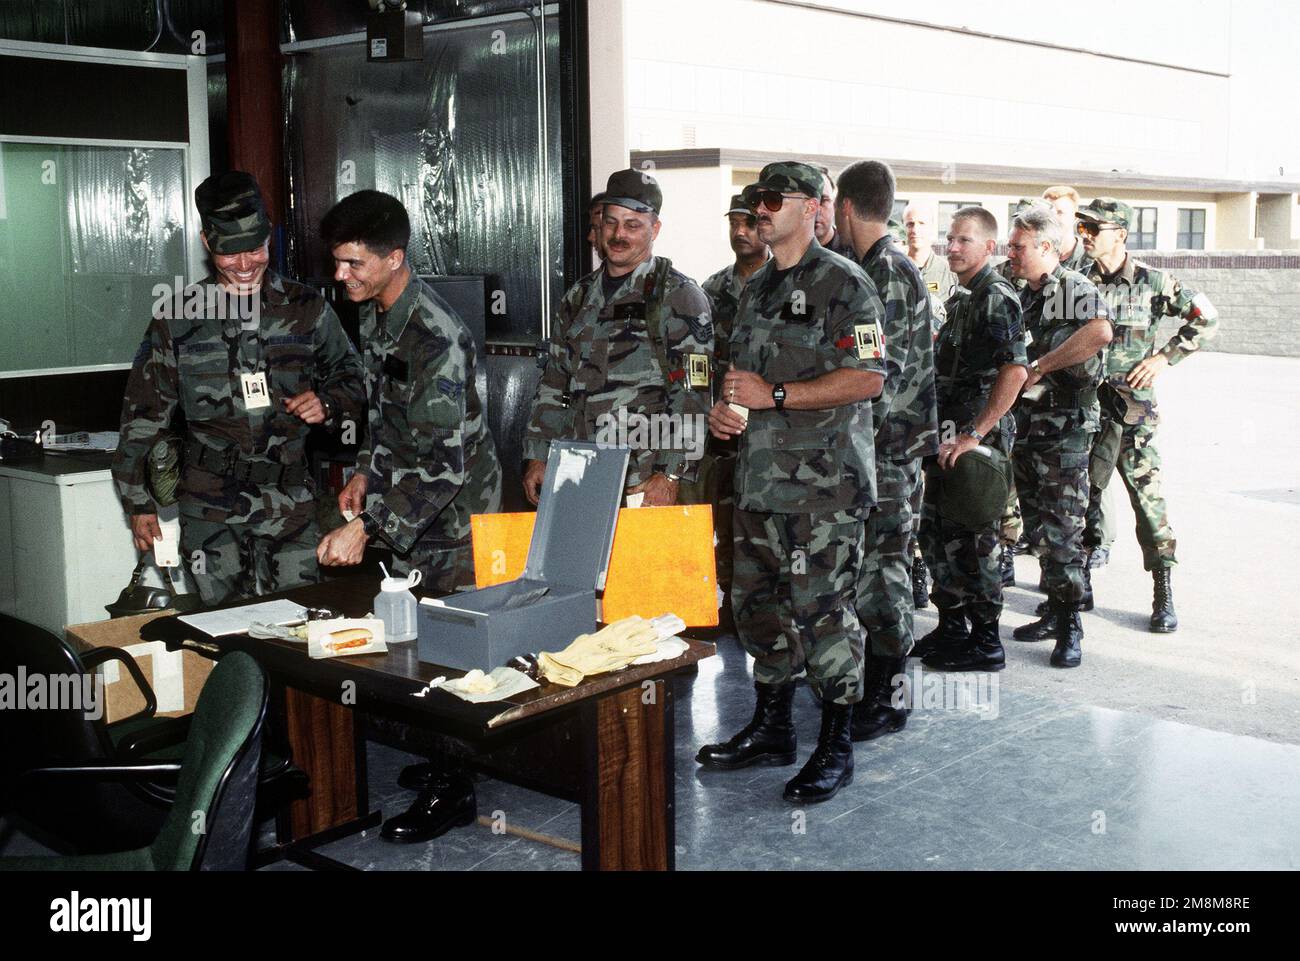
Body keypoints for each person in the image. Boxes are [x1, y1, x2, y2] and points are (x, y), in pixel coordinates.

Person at [696, 161, 886, 804]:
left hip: (823, 492)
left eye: (773, 199)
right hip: (758, 483)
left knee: (824, 616)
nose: (760, 209)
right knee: (758, 610)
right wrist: (730, 413)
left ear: (812, 206)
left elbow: (868, 377)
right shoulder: (756, 288)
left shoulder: (846, 285)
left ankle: (835, 745)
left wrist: (774, 394)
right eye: (755, 200)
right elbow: (744, 381)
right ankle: (773, 726)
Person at [316, 189, 503, 843]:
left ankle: (455, 788)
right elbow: (383, 413)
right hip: (405, 505)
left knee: (448, 655)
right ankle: (439, 759)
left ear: (394, 258)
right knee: (414, 647)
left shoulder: (435, 337)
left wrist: (367, 527)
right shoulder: (377, 317)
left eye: (353, 264)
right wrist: (366, 469)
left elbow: (444, 469)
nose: (341, 276)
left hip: (450, 519)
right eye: (336, 263)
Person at [113, 171, 365, 605]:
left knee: (299, 630)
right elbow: (143, 414)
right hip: (209, 513)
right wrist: (138, 502)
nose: (245, 264)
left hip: (290, 506)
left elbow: (354, 377)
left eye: (255, 249)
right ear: (208, 244)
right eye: (231, 253)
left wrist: (328, 402)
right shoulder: (177, 317)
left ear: (270, 238)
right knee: (220, 633)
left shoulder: (305, 308)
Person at [522, 169, 714, 507]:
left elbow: (693, 395)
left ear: (654, 229)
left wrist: (671, 474)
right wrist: (538, 455)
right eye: (611, 223)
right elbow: (555, 382)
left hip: (643, 478)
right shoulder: (578, 297)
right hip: (579, 470)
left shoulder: (678, 296)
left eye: (632, 225)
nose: (619, 234)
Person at [1077, 198, 1218, 632]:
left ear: (1119, 234)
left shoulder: (1154, 282)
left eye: (1093, 229)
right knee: (1081, 499)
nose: (1084, 236)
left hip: (1134, 413)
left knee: (1147, 502)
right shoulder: (1074, 283)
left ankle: (1162, 588)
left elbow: (1206, 319)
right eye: (1081, 228)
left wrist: (1164, 358)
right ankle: (1075, 586)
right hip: (1087, 411)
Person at [834, 160, 938, 738]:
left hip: (891, 454)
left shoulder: (888, 273)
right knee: (873, 573)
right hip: (877, 452)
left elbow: (882, 374)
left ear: (847, 207)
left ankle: (890, 696)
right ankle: (874, 686)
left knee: (885, 575)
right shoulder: (876, 267)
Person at [912, 207, 1028, 671]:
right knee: (939, 534)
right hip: (946, 442)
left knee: (976, 542)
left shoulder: (996, 296)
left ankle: (986, 641)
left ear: (989, 247)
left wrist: (974, 433)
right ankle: (952, 626)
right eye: (951, 239)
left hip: (976, 446)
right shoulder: (963, 298)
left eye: (964, 240)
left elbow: (1015, 369)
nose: (953, 248)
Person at [1002, 207, 1113, 667]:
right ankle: (1053, 609)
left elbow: (1100, 332)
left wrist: (1040, 366)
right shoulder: (1021, 294)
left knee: (1064, 532)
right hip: (1027, 430)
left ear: (1046, 247)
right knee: (1040, 532)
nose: (1011, 254)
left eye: (1018, 246)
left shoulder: (1070, 290)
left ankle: (1071, 626)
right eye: (1009, 245)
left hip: (1064, 430)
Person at [701, 194, 771, 616]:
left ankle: (770, 608)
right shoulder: (711, 290)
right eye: (734, 223)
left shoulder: (785, 284)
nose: (740, 232)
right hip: (724, 429)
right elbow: (699, 362)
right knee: (725, 519)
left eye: (748, 222)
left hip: (770, 426)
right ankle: (731, 603)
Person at [902, 201, 956, 607]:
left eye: (922, 223)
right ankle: (909, 565)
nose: (915, 230)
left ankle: (923, 569)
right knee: (906, 490)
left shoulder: (948, 275)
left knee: (928, 490)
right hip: (903, 398)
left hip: (936, 396)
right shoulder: (895, 269)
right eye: (910, 223)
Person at [1043, 185, 1091, 273]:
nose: (1053, 218)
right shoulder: (1037, 255)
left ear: (1075, 217)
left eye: (1060, 212)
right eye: (1048, 213)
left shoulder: (1089, 258)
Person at [814, 166, 854, 257]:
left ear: (834, 204)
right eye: (807, 202)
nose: (816, 210)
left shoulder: (854, 253)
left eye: (823, 200)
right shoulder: (782, 250)